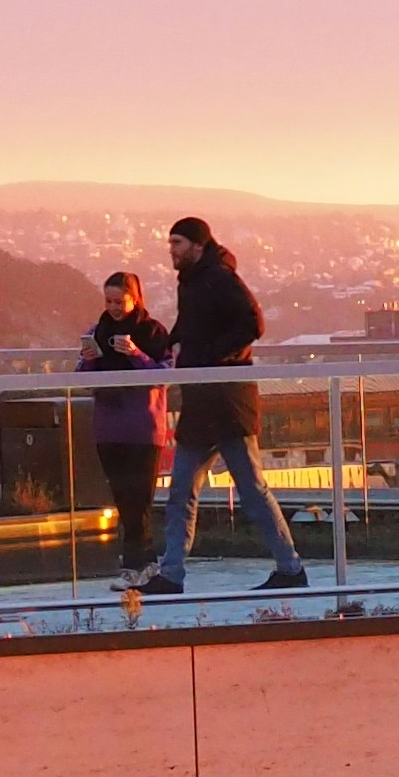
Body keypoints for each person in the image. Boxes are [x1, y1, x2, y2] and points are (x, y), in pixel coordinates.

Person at [141, 216, 306, 594]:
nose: (172, 251)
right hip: (205, 402)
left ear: (198, 246)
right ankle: (172, 573)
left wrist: (212, 359)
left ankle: (290, 567)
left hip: (226, 402)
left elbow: (253, 323)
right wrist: (167, 346)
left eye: (178, 243)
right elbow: (190, 327)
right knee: (183, 491)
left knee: (248, 490)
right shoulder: (197, 281)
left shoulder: (220, 279)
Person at [75, 267, 174, 576]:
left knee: (139, 499)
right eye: (109, 302)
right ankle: (137, 564)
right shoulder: (97, 331)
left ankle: (139, 564)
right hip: (109, 428)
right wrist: (90, 357)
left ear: (135, 299)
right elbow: (82, 378)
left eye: (119, 301)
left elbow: (164, 377)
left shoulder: (154, 332)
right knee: (122, 497)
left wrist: (136, 354)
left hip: (143, 428)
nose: (114, 308)